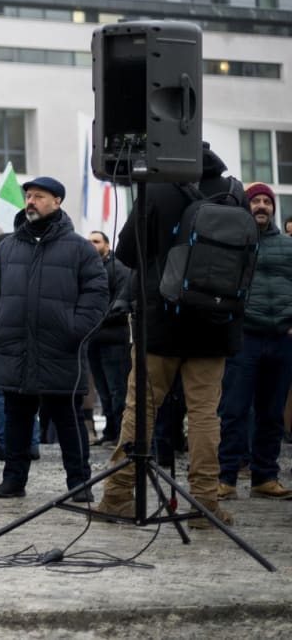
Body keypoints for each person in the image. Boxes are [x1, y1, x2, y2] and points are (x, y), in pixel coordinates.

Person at [95, 143, 246, 527]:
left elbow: (127, 252)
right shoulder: (233, 189)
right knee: (204, 415)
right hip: (215, 323)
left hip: (160, 320)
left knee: (140, 411)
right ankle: (205, 504)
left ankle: (116, 496)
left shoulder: (158, 188)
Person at [0, 177, 107, 501]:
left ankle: (79, 483)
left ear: (57, 201)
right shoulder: (7, 247)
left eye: (39, 196)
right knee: (17, 418)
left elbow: (97, 293)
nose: (31, 201)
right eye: (29, 196)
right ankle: (14, 480)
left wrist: (75, 329)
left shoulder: (78, 248)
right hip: (15, 348)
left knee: (69, 420)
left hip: (60, 349)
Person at [218, 182, 292, 500]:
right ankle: (227, 477)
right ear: (246, 207)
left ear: (273, 208)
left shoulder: (289, 246)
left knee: (272, 412)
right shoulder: (234, 244)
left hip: (282, 339)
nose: (261, 205)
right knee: (234, 410)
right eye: (256, 201)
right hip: (245, 338)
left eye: (266, 201)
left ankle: (264, 476)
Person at [86, 230, 133, 446]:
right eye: (89, 241)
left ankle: (120, 434)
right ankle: (110, 432)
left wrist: (95, 319)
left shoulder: (118, 268)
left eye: (96, 241)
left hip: (114, 339)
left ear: (106, 244)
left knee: (117, 390)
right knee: (102, 390)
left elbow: (121, 303)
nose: (91, 244)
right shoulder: (91, 268)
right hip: (94, 339)